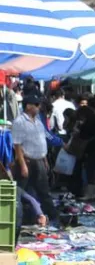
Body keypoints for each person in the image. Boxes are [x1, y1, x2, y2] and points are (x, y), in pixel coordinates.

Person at [11, 93, 57, 221]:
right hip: (27, 161)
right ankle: (17, 217)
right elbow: (17, 145)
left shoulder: (38, 122)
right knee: (20, 192)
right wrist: (23, 165)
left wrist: (45, 159)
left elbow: (41, 141)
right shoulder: (19, 122)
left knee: (44, 191)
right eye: (36, 105)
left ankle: (52, 217)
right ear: (28, 106)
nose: (39, 107)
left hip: (40, 160)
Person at [67, 94, 95, 201]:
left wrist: (78, 132)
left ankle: (90, 194)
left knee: (91, 170)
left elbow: (85, 135)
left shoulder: (91, 120)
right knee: (93, 170)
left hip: (92, 148)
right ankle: (94, 193)